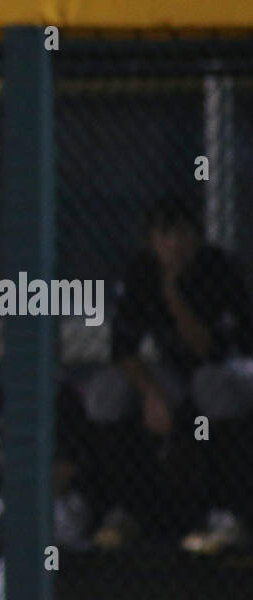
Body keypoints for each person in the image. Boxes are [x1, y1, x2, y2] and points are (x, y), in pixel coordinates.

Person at [77, 196, 253, 553]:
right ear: (152, 240)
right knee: (107, 391)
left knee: (209, 384)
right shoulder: (142, 270)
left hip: (233, 368)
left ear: (198, 238)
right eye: (165, 235)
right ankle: (124, 511)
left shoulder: (217, 268)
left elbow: (209, 350)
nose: (174, 244)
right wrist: (152, 394)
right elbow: (122, 350)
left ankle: (228, 516)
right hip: (175, 370)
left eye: (184, 234)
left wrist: (173, 291)